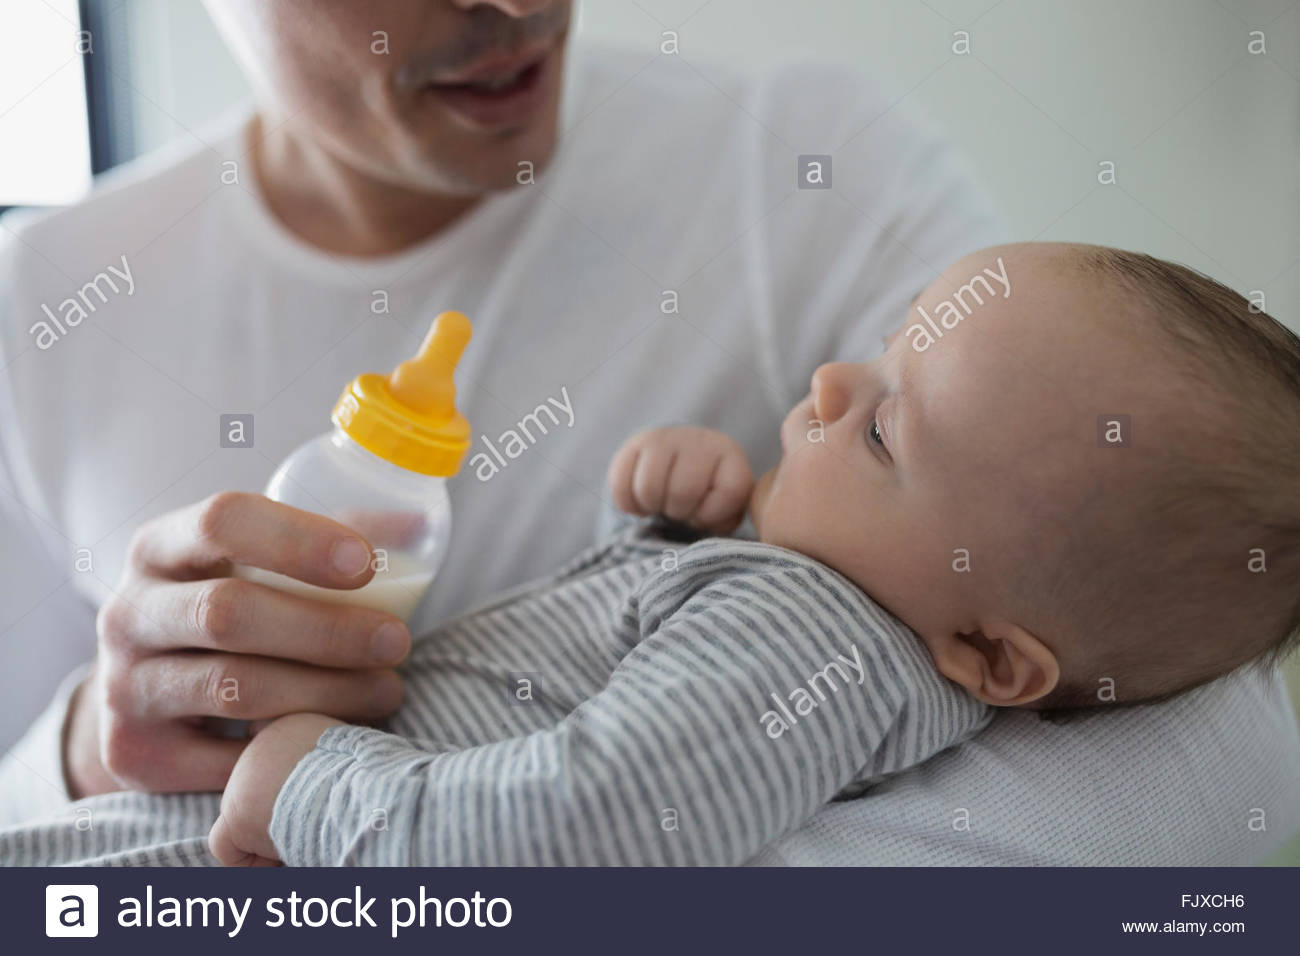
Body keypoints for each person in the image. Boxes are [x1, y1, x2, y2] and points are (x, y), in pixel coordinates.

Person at [1, 1, 1297, 865]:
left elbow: (1209, 742)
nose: (508, 4)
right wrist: (78, 746)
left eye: (885, 425)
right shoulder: (43, 303)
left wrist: (323, 795)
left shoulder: (809, 166)